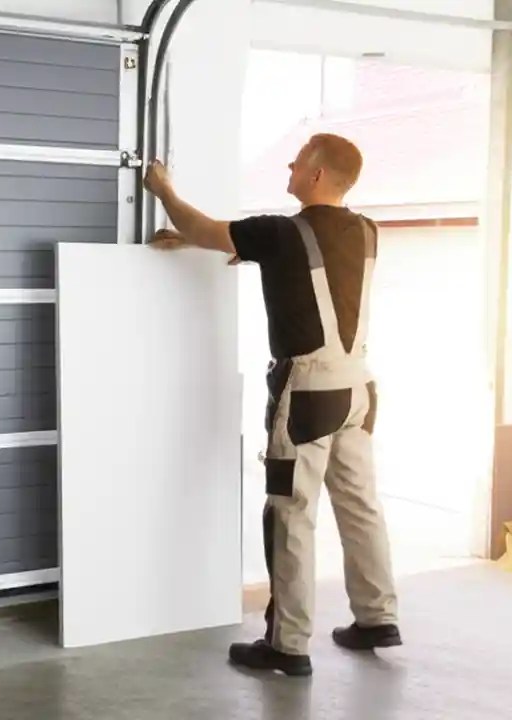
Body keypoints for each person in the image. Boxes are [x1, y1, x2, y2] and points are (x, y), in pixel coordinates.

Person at [141, 134, 401, 677]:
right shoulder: (365, 231)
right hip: (358, 388)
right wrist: (196, 243)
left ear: (317, 174)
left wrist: (163, 188)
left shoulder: (281, 232)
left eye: (299, 157)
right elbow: (296, 263)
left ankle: (287, 644)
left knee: (290, 514)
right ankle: (378, 617)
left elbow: (206, 228)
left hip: (305, 392)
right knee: (360, 506)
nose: (289, 162)